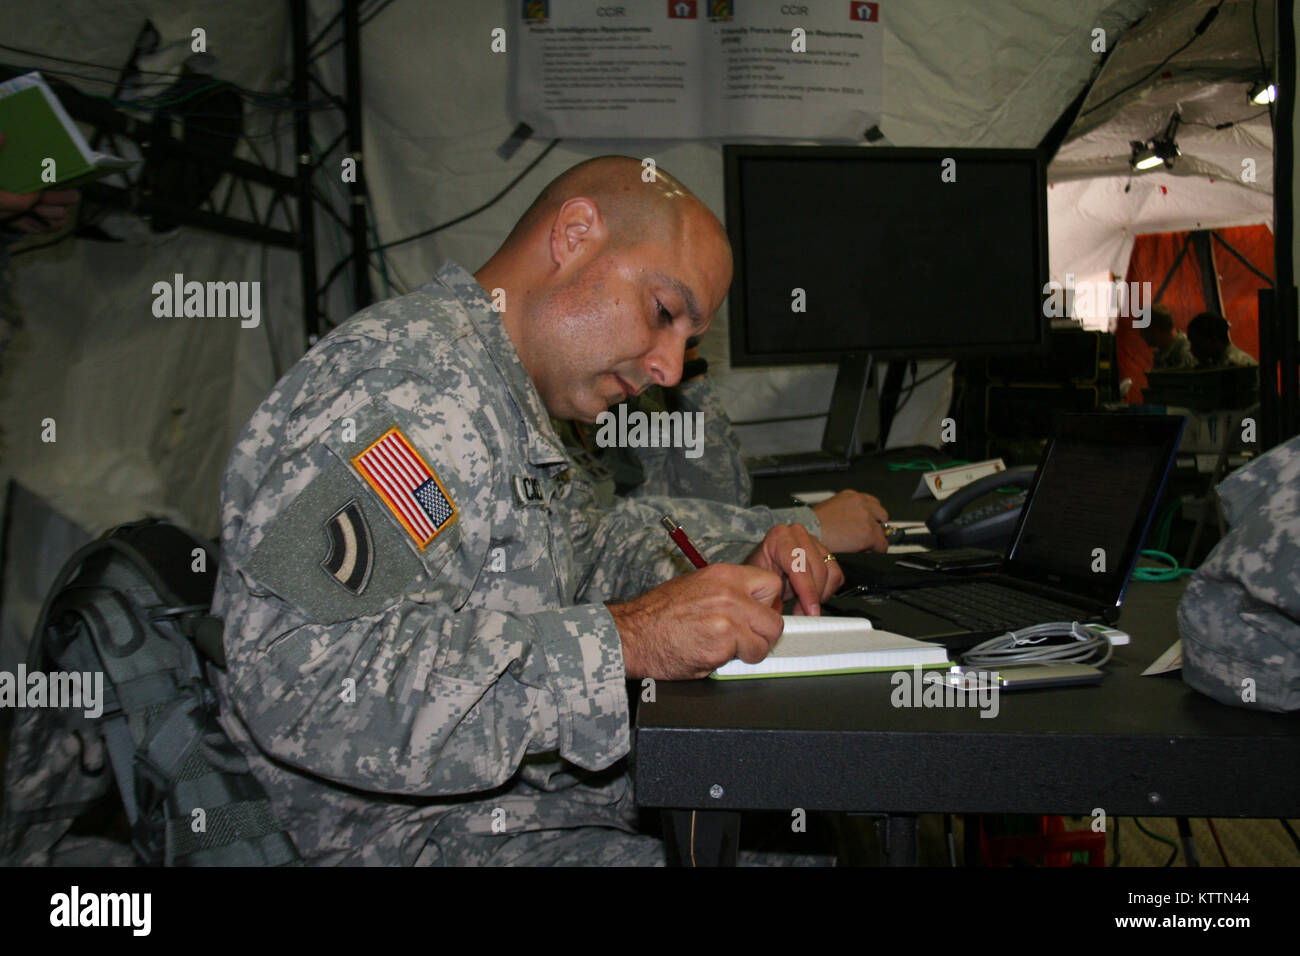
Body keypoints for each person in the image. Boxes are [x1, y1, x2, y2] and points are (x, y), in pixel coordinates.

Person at [211, 155, 877, 865]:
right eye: (661, 313)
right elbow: (300, 677)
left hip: (517, 811)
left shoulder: (507, 395)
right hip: (410, 840)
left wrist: (737, 563)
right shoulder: (416, 394)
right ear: (576, 234)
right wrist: (629, 640)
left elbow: (583, 550)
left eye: (687, 342)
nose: (670, 370)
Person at [1186, 311, 1257, 369]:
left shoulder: (1239, 366)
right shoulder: (1217, 363)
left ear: (1214, 340)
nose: (1192, 350)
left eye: (1197, 344)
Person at [1138, 303, 1195, 370]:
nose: (1142, 336)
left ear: (1154, 331)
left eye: (1143, 331)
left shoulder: (1185, 352)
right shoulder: (1161, 350)